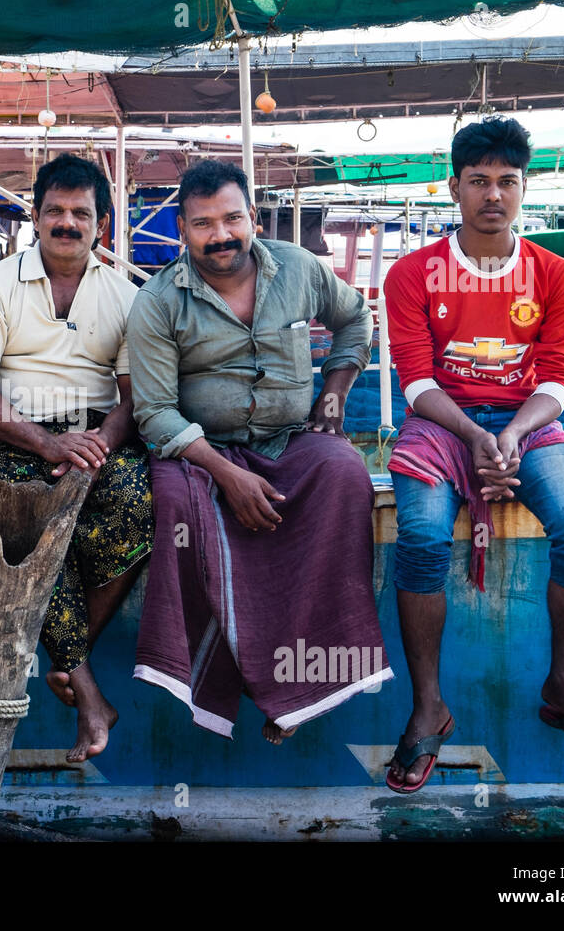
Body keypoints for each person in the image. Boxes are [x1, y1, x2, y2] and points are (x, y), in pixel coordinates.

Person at [382, 116, 564, 793]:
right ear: (453, 187)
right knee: (423, 540)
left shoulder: (557, 275)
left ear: (524, 188)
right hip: (440, 424)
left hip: (529, 423)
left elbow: (556, 379)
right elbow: (417, 381)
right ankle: (429, 705)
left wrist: (513, 434)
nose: (495, 193)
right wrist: (475, 436)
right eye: (480, 180)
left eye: (508, 181)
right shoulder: (411, 274)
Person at [128, 159, 390, 745]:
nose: (220, 235)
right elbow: (154, 412)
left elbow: (356, 320)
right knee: (170, 502)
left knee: (346, 473)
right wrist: (225, 475)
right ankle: (224, 679)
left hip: (291, 441)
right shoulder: (158, 301)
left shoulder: (299, 268)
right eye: (202, 225)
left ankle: (303, 682)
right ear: (181, 229)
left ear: (253, 216)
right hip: (200, 453)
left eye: (232, 219)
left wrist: (333, 397)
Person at [0, 153, 153, 763]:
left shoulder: (126, 295)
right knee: (27, 522)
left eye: (81, 213)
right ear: (33, 217)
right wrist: (46, 443)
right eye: (55, 211)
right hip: (15, 440)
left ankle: (71, 658)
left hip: (94, 442)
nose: (67, 223)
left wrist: (98, 444)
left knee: (137, 497)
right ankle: (88, 690)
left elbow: (133, 397)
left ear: (103, 225)